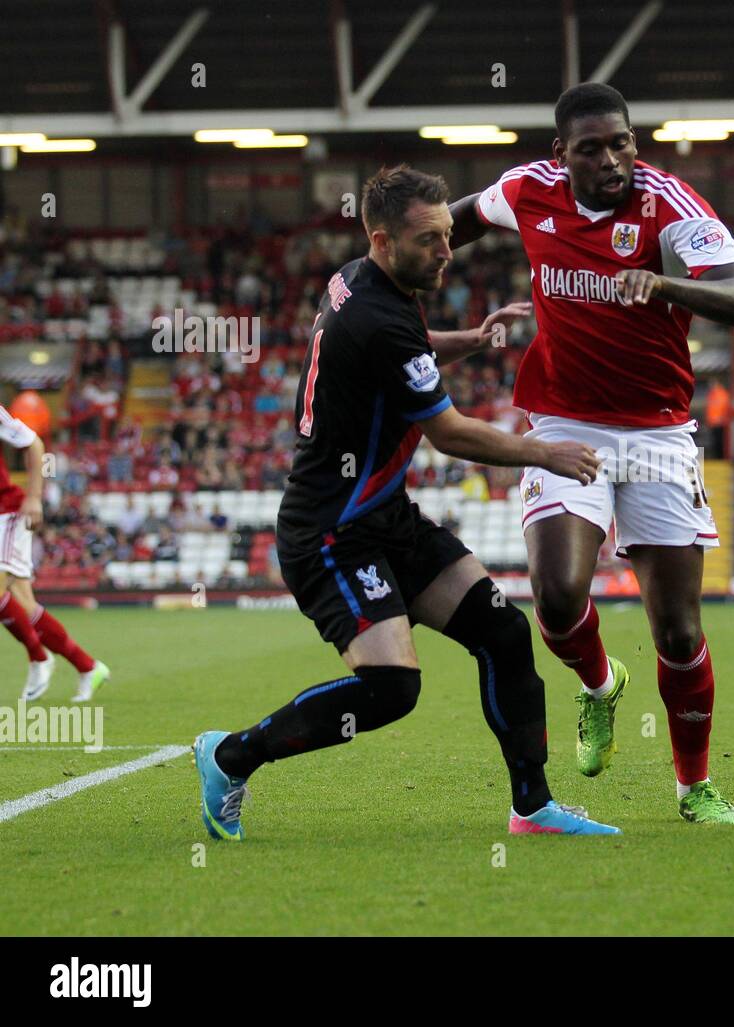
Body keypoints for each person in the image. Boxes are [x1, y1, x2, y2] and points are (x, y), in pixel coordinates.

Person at [193, 165, 619, 842]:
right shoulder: (379, 315)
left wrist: (470, 340)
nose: (448, 251)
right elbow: (447, 433)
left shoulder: (364, 281)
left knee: (504, 633)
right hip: (331, 532)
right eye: (431, 241)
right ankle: (229, 755)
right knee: (392, 688)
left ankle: (533, 808)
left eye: (450, 234)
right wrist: (546, 451)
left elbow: (398, 353)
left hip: (385, 515)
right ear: (382, 239)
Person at [447, 83, 734, 824]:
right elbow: (452, 223)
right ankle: (599, 685)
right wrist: (394, 274)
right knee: (557, 594)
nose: (613, 159)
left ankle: (694, 786)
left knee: (679, 629)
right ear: (563, 156)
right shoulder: (527, 190)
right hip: (565, 421)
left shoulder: (670, 205)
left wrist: (663, 283)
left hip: (657, 430)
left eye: (622, 142)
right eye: (592, 148)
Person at [1, 405, 110, 702]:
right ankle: (87, 666)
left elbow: (33, 443)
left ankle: (38, 657)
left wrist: (34, 497)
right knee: (24, 606)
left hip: (7, 513)